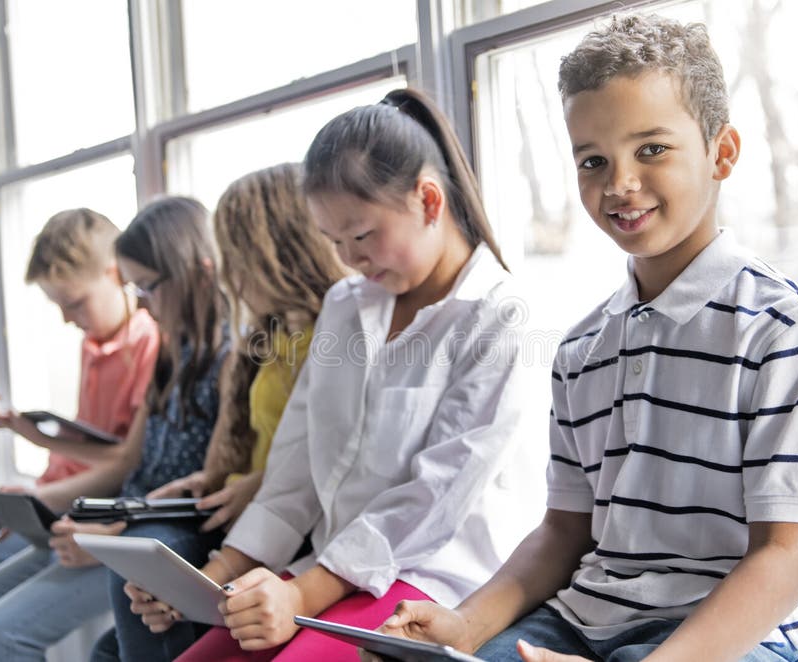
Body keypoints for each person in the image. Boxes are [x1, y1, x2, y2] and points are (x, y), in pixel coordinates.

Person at [369, 14, 798, 662]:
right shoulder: (582, 350)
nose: (619, 184)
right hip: (595, 617)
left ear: (721, 153)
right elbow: (563, 531)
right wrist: (465, 628)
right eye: (593, 161)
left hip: (760, 633)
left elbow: (784, 557)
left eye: (652, 150)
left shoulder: (784, 332)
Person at [129, 88, 538, 662]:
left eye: (362, 235)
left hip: (430, 580)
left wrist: (299, 592)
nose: (349, 258)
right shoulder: (345, 305)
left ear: (428, 200)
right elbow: (293, 473)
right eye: (333, 240)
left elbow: (430, 502)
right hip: (329, 571)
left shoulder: (499, 317)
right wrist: (206, 581)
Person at [0, 196, 232, 662]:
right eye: (137, 288)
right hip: (122, 516)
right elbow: (130, 459)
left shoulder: (225, 354)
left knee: (1, 629)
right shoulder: (170, 349)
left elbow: (210, 483)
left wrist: (112, 535)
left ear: (195, 273)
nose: (142, 302)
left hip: (147, 527)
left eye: (147, 287)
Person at [91, 163, 347, 661]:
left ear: (275, 256)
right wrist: (211, 480)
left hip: (279, 527)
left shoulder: (333, 340)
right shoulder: (267, 337)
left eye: (236, 261)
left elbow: (323, 462)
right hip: (246, 512)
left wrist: (253, 486)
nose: (226, 277)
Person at [0, 208, 159, 661]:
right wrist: (27, 436)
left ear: (115, 274)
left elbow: (123, 463)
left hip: (74, 508)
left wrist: (40, 495)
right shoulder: (94, 345)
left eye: (74, 303)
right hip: (53, 497)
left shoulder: (148, 343)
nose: (66, 318)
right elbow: (95, 447)